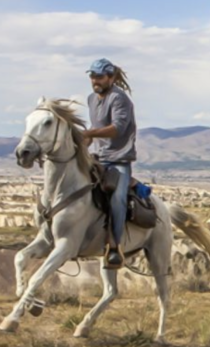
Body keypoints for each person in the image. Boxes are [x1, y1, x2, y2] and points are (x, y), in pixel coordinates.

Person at [82, 58, 137, 269]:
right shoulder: (91, 99)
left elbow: (117, 129)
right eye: (92, 76)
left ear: (111, 78)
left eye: (99, 77)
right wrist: (82, 144)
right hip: (98, 157)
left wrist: (89, 133)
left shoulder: (119, 99)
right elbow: (94, 129)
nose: (95, 80)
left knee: (117, 199)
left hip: (118, 159)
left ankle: (115, 246)